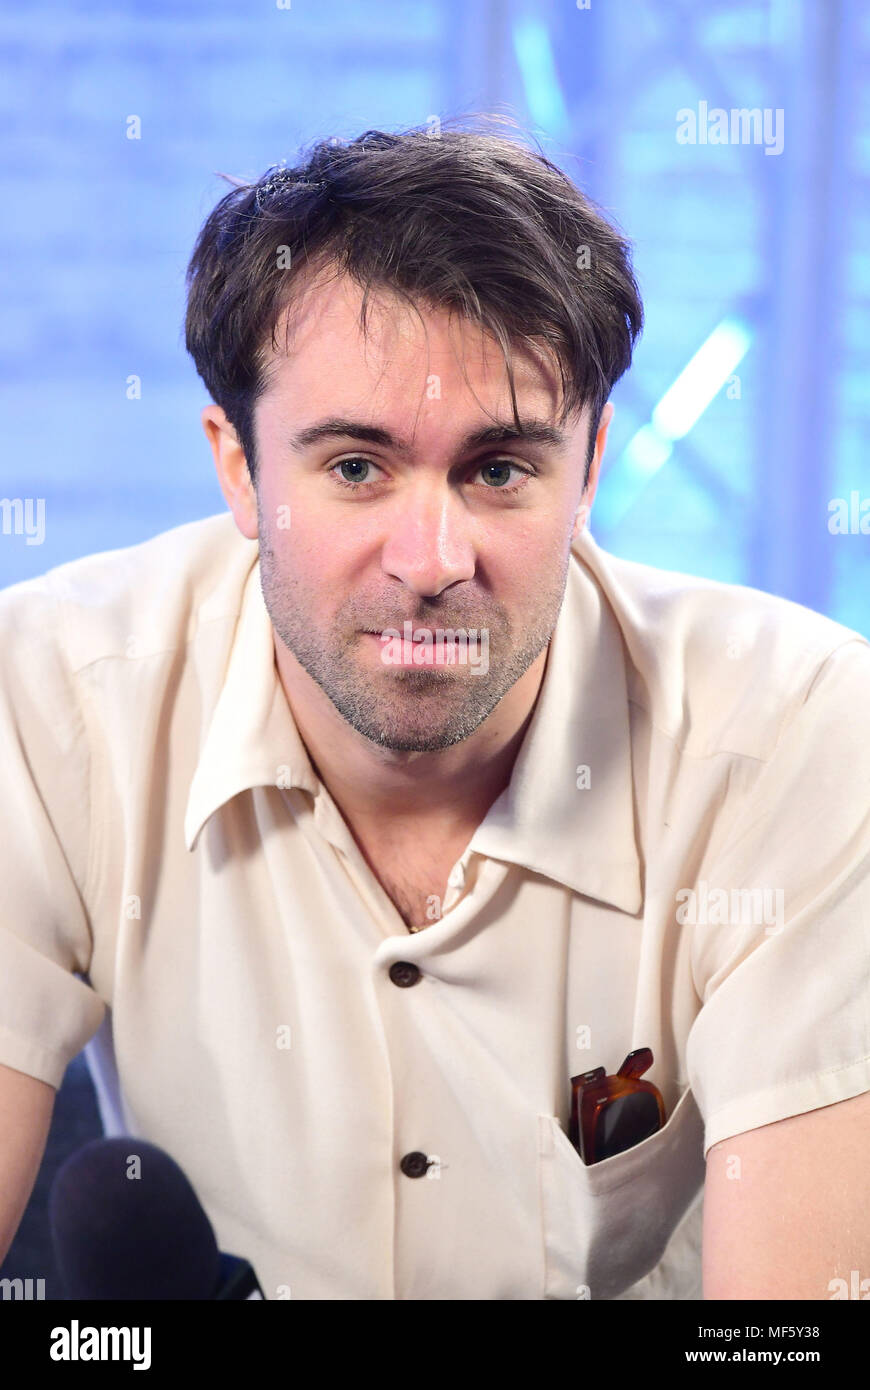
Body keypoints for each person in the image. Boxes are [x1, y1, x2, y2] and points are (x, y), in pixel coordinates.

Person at [1, 118, 868, 1301]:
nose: (431, 558)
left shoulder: (804, 733)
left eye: (498, 468)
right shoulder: (48, 698)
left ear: (592, 465)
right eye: (356, 467)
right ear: (240, 471)